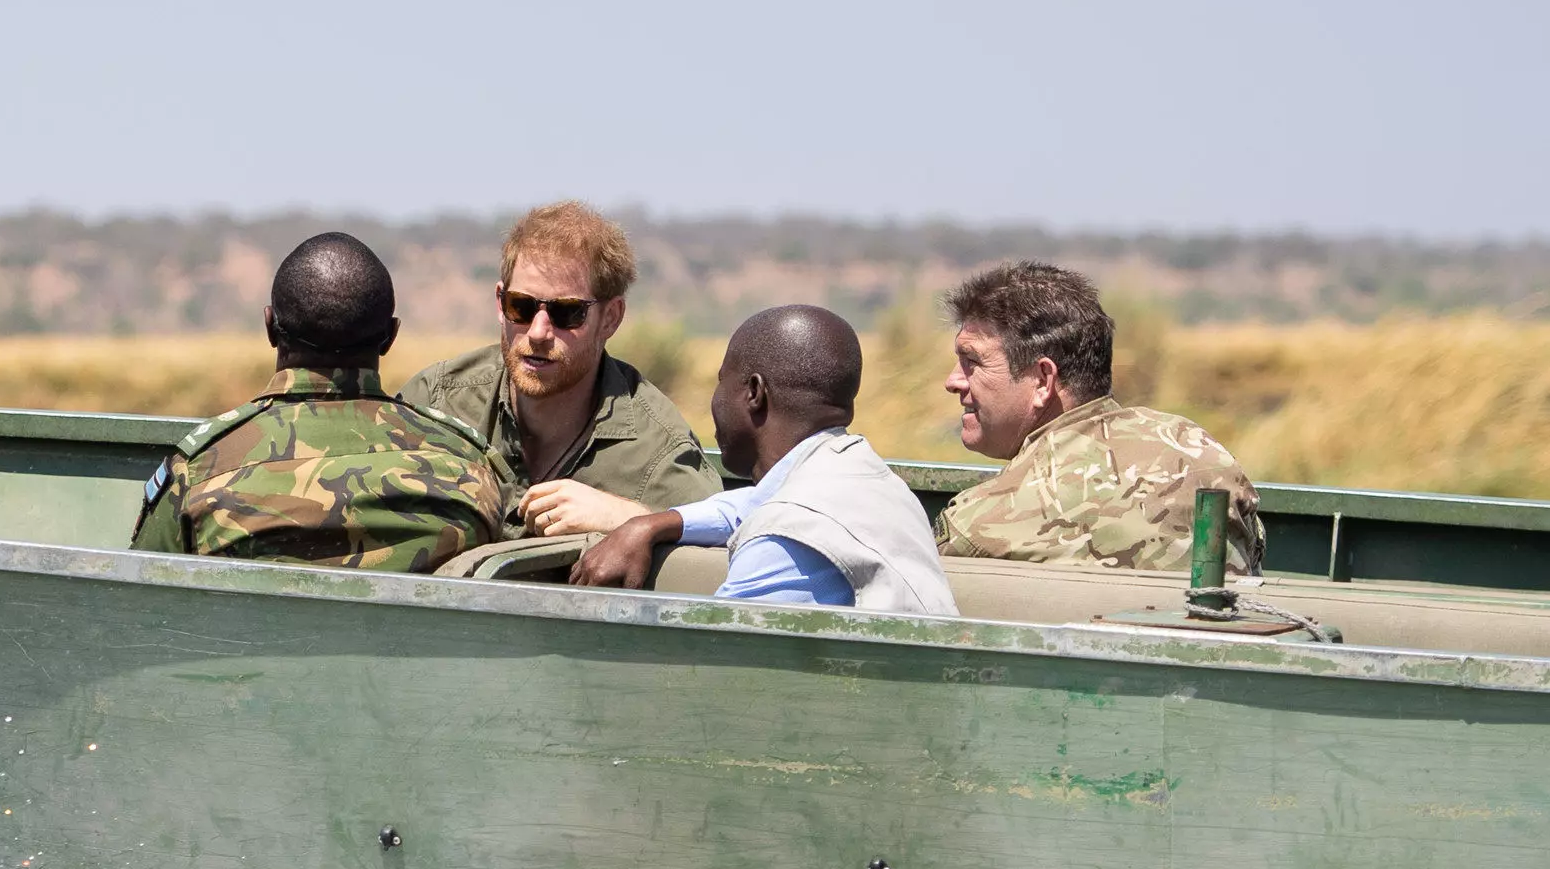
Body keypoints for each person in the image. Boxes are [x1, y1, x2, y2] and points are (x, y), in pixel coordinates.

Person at [130, 233, 511, 572]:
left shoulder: (200, 472)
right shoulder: (470, 464)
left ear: (269, 327)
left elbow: (140, 601)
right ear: (390, 336)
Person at [573, 306, 958, 615]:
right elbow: (754, 504)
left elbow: (709, 681)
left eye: (722, 381)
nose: (715, 402)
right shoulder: (867, 478)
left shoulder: (782, 544)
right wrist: (649, 525)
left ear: (754, 392)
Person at [398, 201, 716, 539]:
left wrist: (635, 520)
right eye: (520, 306)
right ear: (499, 302)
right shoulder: (434, 405)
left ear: (610, 318)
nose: (538, 332)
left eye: (566, 313)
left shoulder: (656, 449)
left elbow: (723, 545)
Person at [933, 261, 1261, 574]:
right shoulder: (1205, 457)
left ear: (1042, 381)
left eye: (971, 362)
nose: (953, 381)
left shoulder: (979, 525)